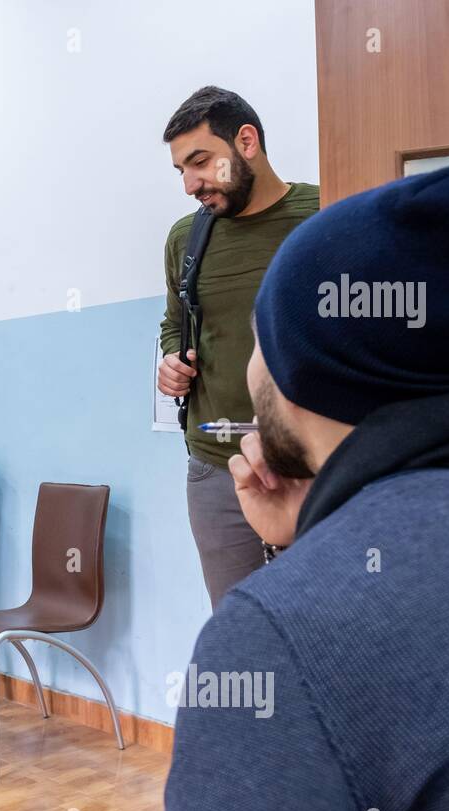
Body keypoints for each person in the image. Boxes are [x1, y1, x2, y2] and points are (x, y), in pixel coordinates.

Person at [148, 153, 449, 811]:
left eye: (260, 333)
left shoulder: (278, 634)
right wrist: (316, 538)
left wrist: (299, 576)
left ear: (300, 366)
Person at [158, 86, 319, 608]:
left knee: (325, 633)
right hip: (216, 471)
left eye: (199, 161)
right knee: (241, 633)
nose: (189, 184)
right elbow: (174, 323)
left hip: (315, 470)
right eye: (181, 169)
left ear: (246, 141)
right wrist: (171, 361)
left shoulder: (326, 211)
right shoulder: (187, 239)